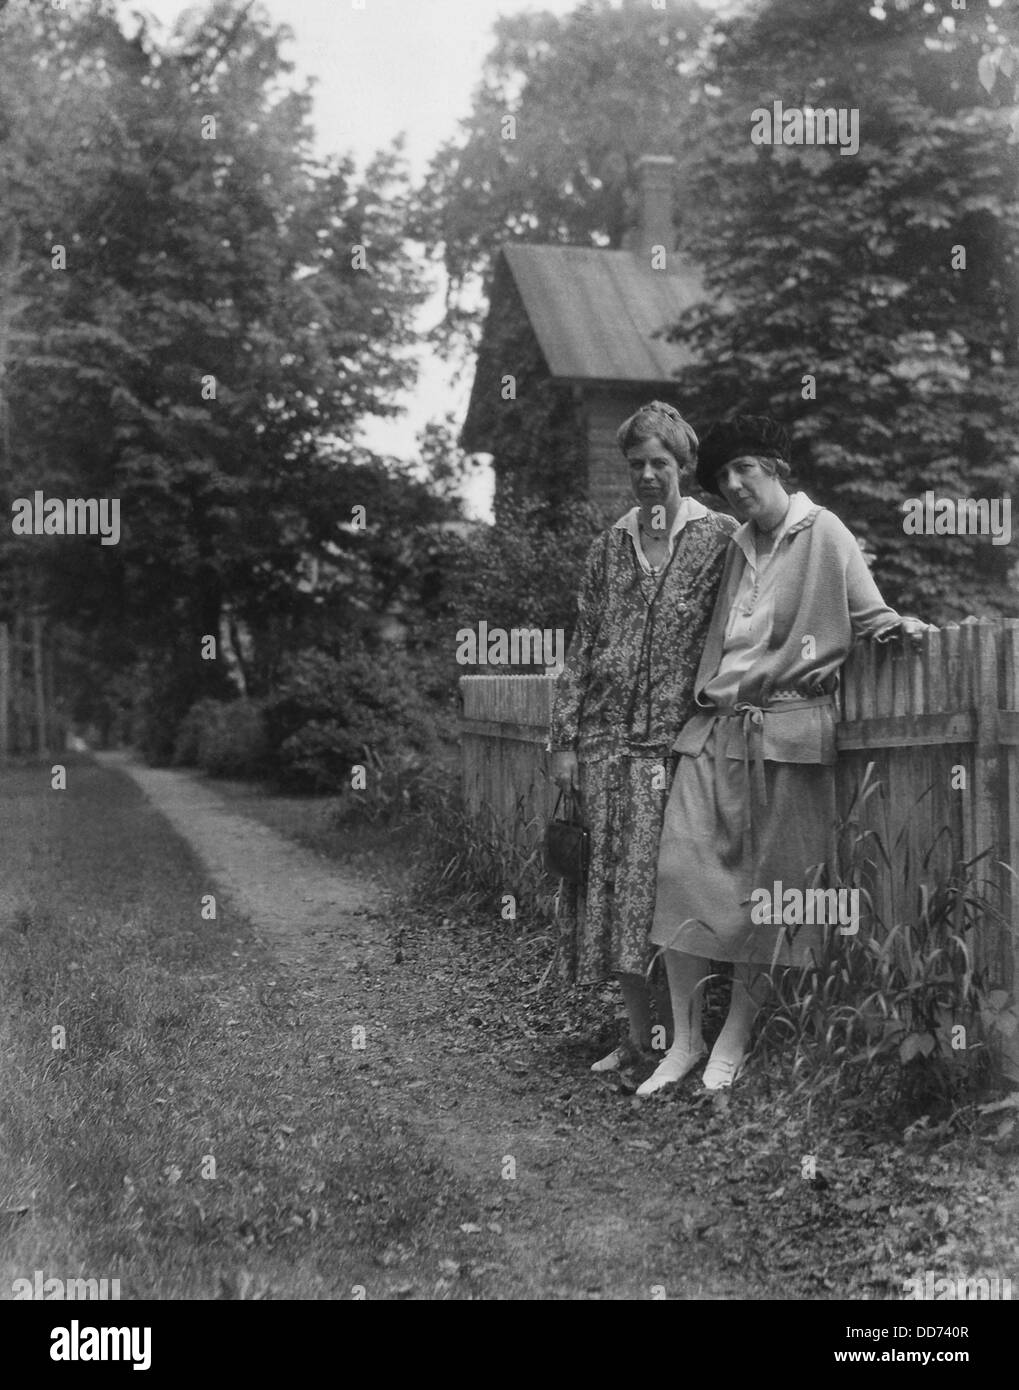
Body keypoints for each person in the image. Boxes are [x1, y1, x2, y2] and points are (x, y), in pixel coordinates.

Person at [639, 414, 930, 1097]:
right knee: (679, 872)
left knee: (774, 901)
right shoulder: (735, 547)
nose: (732, 485)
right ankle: (683, 1041)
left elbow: (868, 613)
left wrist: (900, 627)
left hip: (790, 735)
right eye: (720, 477)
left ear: (774, 466)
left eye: (743, 469)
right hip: (714, 729)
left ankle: (733, 1040)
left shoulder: (823, 531)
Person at [550, 401, 737, 1073]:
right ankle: (637, 1036)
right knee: (609, 894)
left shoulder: (718, 538)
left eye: (660, 462)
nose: (648, 476)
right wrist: (565, 742)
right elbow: (582, 646)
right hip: (604, 747)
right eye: (636, 464)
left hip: (676, 749)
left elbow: (757, 606)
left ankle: (685, 1039)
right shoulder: (608, 547)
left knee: (669, 890)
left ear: (683, 465)